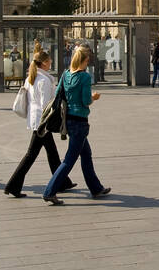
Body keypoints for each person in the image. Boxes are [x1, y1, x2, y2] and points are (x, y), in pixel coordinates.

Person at [4, 50, 77, 198]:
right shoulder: (43, 81)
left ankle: (62, 182)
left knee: (51, 153)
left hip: (36, 120)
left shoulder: (32, 77)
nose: (51, 62)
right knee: (32, 154)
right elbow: (46, 104)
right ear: (43, 62)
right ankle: (13, 185)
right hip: (42, 122)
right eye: (49, 60)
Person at [43, 45, 110, 205]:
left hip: (68, 120)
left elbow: (59, 93)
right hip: (80, 121)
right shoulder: (84, 77)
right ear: (85, 60)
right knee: (69, 159)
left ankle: (96, 188)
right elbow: (86, 101)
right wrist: (94, 97)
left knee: (86, 154)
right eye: (88, 60)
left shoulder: (66, 74)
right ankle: (49, 191)